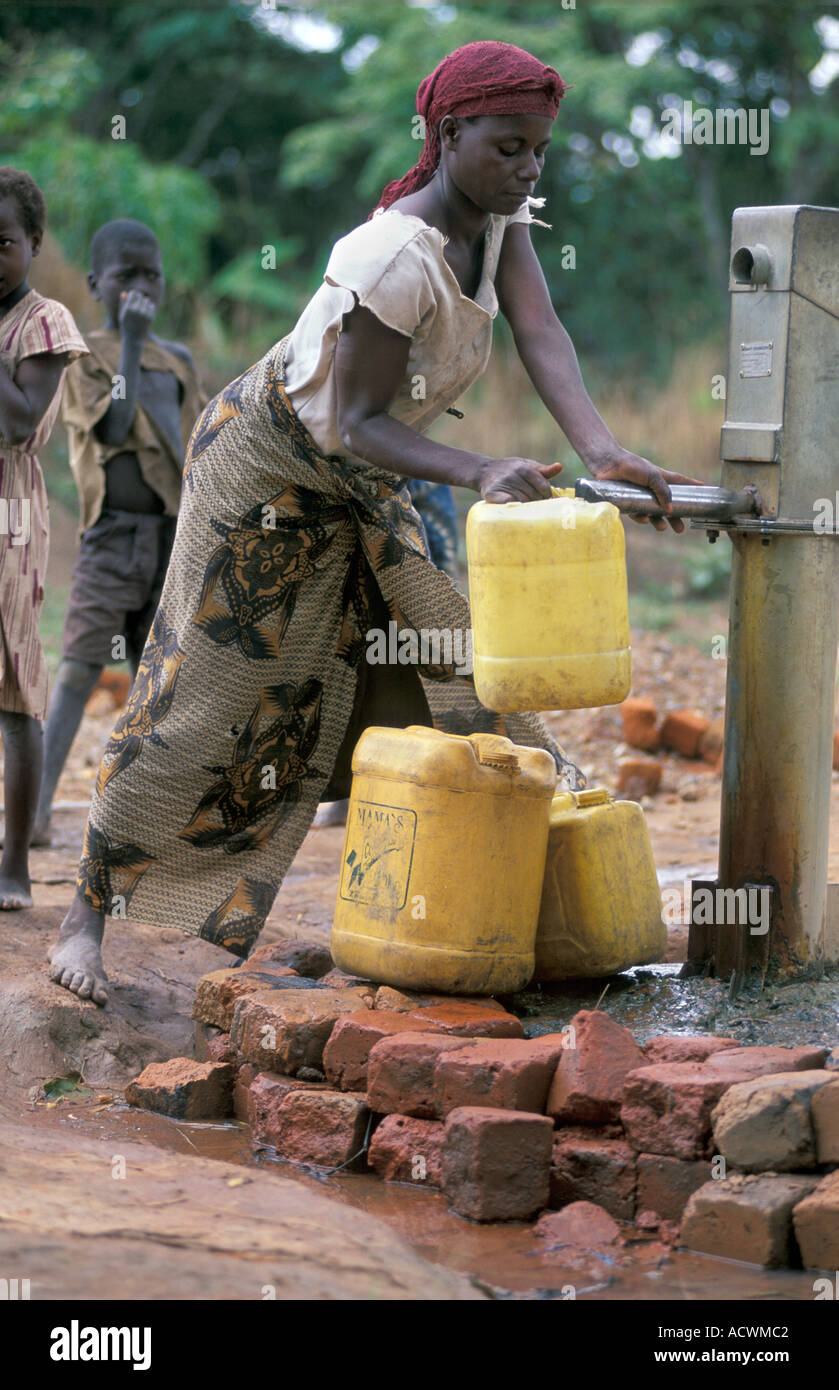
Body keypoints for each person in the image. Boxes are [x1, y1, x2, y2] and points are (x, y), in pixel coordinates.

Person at [48, 40, 694, 1006]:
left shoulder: (500, 218)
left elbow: (539, 327)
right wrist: (478, 468)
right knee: (207, 697)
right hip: (266, 468)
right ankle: (84, 917)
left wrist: (601, 450)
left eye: (539, 151)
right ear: (448, 134)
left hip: (359, 477)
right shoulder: (389, 256)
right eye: (509, 146)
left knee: (456, 671)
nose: (527, 169)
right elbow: (354, 419)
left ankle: (515, 918)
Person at [32, 220, 205, 847]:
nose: (139, 287)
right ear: (95, 284)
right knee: (79, 669)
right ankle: (35, 813)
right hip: (111, 540)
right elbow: (112, 429)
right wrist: (129, 343)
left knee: (157, 678)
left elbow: (199, 449)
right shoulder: (86, 356)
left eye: (150, 275)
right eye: (124, 275)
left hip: (169, 540)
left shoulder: (179, 361)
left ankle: (143, 820)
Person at [0, 167, 88, 908]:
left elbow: (20, 420)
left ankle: (14, 867)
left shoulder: (45, 322)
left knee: (14, 686)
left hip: (10, 513)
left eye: (1, 243)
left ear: (33, 243)